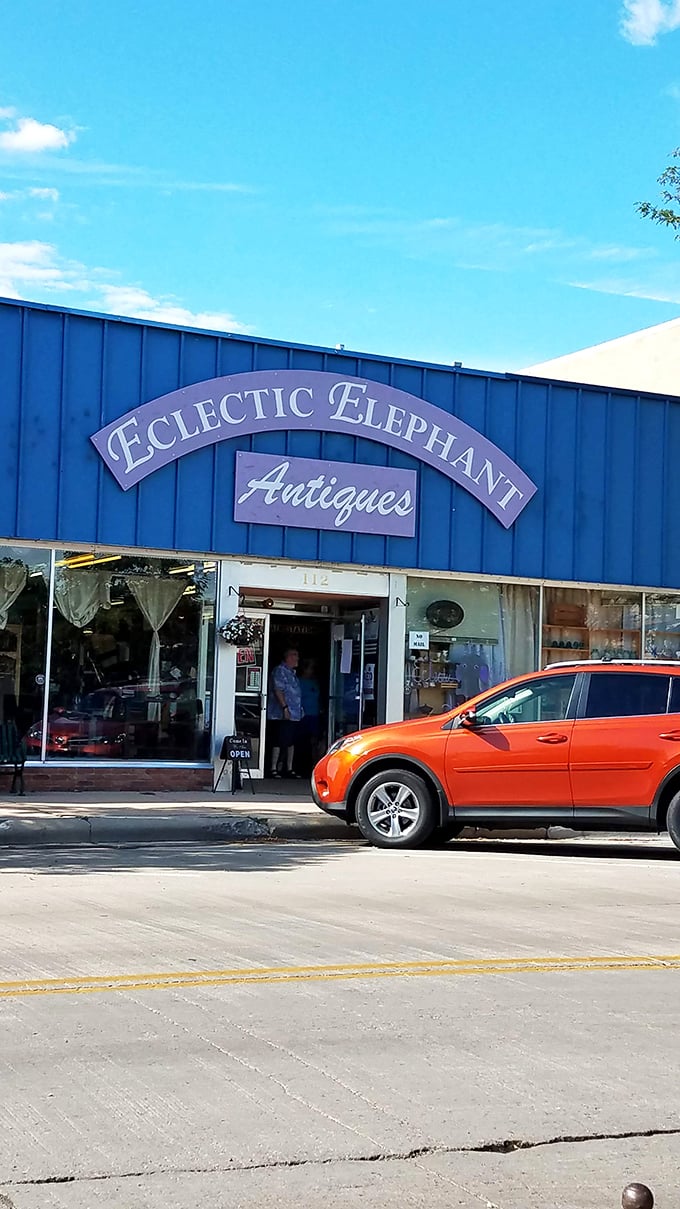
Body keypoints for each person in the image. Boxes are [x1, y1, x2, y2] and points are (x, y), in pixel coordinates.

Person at [267, 648, 303, 778]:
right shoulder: (280, 671)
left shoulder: (292, 673)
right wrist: (285, 708)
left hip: (295, 714)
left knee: (290, 741)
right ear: (288, 657)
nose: (297, 659)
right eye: (295, 655)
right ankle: (273, 768)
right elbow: (278, 690)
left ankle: (289, 768)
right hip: (281, 714)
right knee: (279, 740)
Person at [297, 658, 322, 774]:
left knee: (314, 742)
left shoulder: (315, 682)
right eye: (311, 668)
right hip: (303, 715)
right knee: (301, 741)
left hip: (315, 715)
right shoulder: (298, 682)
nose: (312, 671)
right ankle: (300, 766)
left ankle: (314, 766)